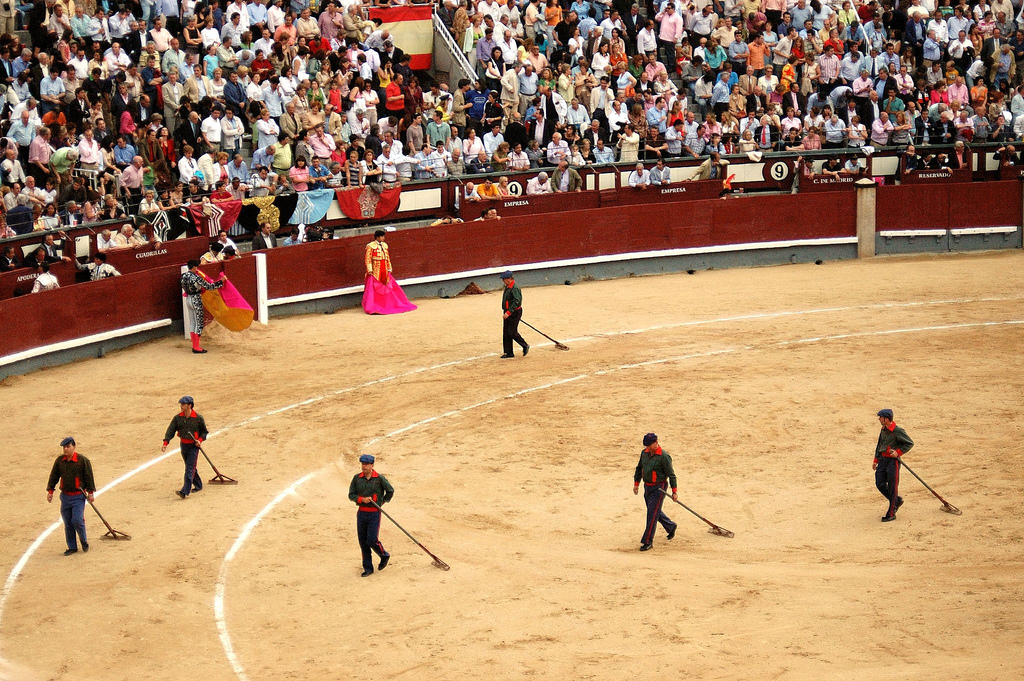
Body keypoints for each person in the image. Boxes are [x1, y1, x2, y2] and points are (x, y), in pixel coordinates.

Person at [46, 437, 96, 556]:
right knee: (68, 522)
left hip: (78, 496)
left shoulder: (82, 460)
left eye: (68, 447)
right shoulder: (60, 461)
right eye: (64, 447)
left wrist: (90, 492)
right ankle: (72, 547)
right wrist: (50, 491)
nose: (66, 449)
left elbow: (89, 476)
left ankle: (84, 541)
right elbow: (54, 476)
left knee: (77, 520)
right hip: (65, 496)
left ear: (74, 447)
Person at [348, 454, 394, 578]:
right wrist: (362, 499)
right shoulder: (357, 478)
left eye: (367, 464)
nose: (364, 467)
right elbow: (351, 495)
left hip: (374, 513)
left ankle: (384, 555)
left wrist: (381, 502)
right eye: (363, 464)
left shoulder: (379, 479)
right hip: (362, 513)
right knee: (363, 542)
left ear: (372, 465)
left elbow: (390, 491)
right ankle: (368, 568)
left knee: (372, 540)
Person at [633, 433, 677, 551]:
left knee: (651, 515)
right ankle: (670, 526)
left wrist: (674, 491)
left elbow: (672, 475)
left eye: (649, 445)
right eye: (646, 446)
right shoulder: (644, 453)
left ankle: (648, 541)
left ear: (656, 442)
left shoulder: (664, 456)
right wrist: (636, 484)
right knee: (654, 511)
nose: (647, 448)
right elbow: (639, 468)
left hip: (659, 488)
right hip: (647, 487)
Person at [161, 396, 210, 500]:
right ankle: (198, 485)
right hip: (183, 445)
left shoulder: (198, 418)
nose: (181, 406)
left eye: (183, 404)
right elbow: (171, 430)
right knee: (190, 467)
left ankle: (184, 491)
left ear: (189, 405)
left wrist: (199, 441)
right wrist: (166, 442)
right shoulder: (178, 418)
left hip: (193, 446)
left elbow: (204, 432)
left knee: (189, 468)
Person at [362, 229, 417, 315]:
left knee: (386, 286)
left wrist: (389, 268)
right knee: (375, 287)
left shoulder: (384, 245)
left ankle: (385, 304)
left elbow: (387, 257)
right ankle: (375, 305)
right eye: (382, 236)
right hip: (376, 269)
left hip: (384, 268)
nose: (384, 238)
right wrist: (370, 270)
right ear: (378, 237)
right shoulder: (370, 246)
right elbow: (368, 259)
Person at [874, 409, 914, 522]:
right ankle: (896, 500)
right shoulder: (883, 429)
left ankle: (891, 513)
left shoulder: (897, 431)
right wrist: (876, 459)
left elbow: (909, 443)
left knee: (892, 486)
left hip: (893, 462)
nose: (879, 419)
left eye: (880, 417)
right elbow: (879, 444)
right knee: (879, 483)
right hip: (882, 460)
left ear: (886, 419)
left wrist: (898, 452)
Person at [180, 259, 226, 354]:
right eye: (196, 267)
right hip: (196, 299)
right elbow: (210, 287)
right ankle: (196, 347)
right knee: (198, 323)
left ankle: (194, 346)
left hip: (188, 299)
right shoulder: (196, 278)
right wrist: (220, 281)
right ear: (193, 267)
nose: (197, 268)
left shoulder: (183, 276)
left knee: (193, 322)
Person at [500, 270, 528, 358]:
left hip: (514, 312)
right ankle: (509, 352)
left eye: (504, 279)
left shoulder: (515, 288)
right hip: (508, 311)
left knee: (512, 332)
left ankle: (524, 345)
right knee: (506, 332)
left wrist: (509, 312)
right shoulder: (508, 287)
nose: (503, 281)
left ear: (509, 279)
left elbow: (517, 301)